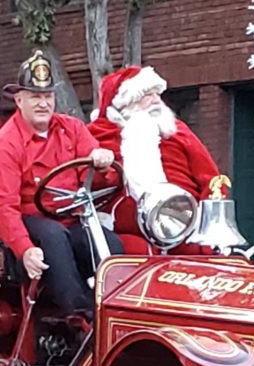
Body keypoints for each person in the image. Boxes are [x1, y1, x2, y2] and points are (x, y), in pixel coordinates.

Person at [0, 51, 121, 314]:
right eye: (35, 97)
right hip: (33, 220)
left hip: (72, 218)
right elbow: (3, 207)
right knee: (53, 238)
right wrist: (25, 249)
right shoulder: (6, 143)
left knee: (111, 244)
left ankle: (116, 309)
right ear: (19, 100)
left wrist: (103, 163)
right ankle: (78, 316)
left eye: (47, 96)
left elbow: (98, 178)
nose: (43, 104)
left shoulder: (72, 128)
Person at [88, 65, 220, 252]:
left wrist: (210, 224)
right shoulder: (98, 135)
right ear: (127, 103)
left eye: (157, 94)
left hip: (185, 223)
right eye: (148, 95)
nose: (157, 100)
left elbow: (211, 178)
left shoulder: (177, 131)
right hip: (128, 231)